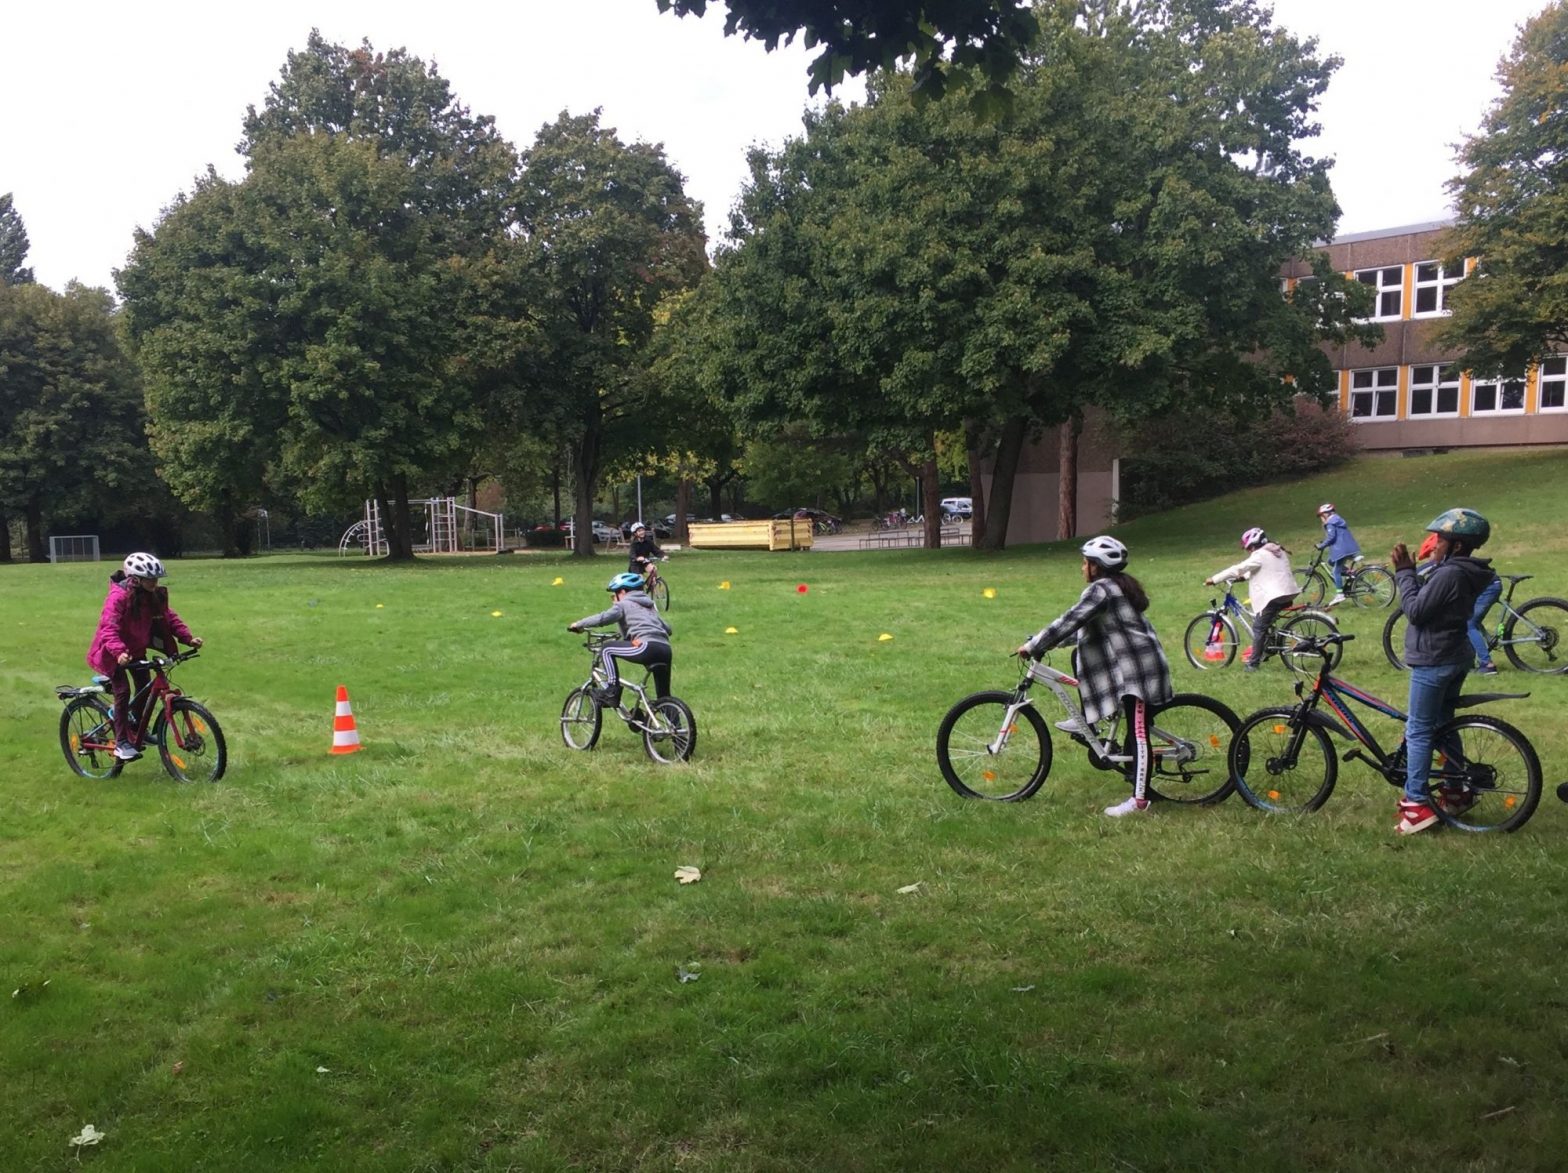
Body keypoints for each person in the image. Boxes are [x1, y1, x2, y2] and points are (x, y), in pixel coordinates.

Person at [1015, 536, 1173, 818]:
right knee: (1080, 656)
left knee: (1138, 733)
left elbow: (1070, 620)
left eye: (1085, 562)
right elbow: (1081, 630)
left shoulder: (1102, 590)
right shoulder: (1116, 587)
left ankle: (1139, 801)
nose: (1082, 567)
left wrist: (1034, 645)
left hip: (1139, 670)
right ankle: (1089, 721)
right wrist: (1042, 642)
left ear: (1096, 567)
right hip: (1132, 664)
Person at [1389, 508, 1496, 835]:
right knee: (1443, 725)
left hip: (1434, 659)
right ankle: (1454, 790)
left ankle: (1417, 805)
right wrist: (1424, 569)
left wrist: (1405, 573)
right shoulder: (1461, 571)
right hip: (1454, 655)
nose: (1433, 544)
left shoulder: (1450, 574)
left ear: (1458, 546)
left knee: (1419, 731)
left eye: (1440, 539)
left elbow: (1416, 612)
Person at [86, 552, 203, 762]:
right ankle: (121, 743)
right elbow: (108, 628)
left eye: (156, 579)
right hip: (112, 655)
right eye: (150, 579)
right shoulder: (118, 597)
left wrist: (187, 639)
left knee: (144, 689)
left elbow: (168, 618)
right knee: (123, 692)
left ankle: (136, 728)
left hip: (136, 652)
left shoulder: (153, 596)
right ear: (136, 579)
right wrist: (119, 652)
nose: (154, 583)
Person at [568, 572, 673, 709]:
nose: (614, 597)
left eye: (615, 593)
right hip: (665, 649)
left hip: (645, 646)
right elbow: (668, 629)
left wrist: (579, 624)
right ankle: (677, 727)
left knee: (607, 649)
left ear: (622, 592)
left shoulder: (623, 604)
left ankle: (611, 692)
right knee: (664, 696)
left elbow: (603, 618)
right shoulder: (649, 607)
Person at [1204, 527, 1298, 671]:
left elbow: (1238, 568)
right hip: (1288, 592)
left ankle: (1253, 664)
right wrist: (1245, 577)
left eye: (1249, 548)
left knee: (1258, 628)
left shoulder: (1260, 554)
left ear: (1253, 545)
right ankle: (1268, 646)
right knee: (1265, 623)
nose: (1249, 551)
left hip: (1275, 596)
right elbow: (1266, 569)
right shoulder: (1275, 551)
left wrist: (1215, 579)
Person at [1315, 502, 1361, 606]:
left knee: (1335, 571)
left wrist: (1321, 546)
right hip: (1348, 547)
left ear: (1326, 514)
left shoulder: (1331, 522)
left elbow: (1331, 537)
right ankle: (1350, 573)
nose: (1321, 519)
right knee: (1330, 561)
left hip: (1342, 550)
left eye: (1321, 516)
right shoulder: (1337, 519)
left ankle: (1340, 594)